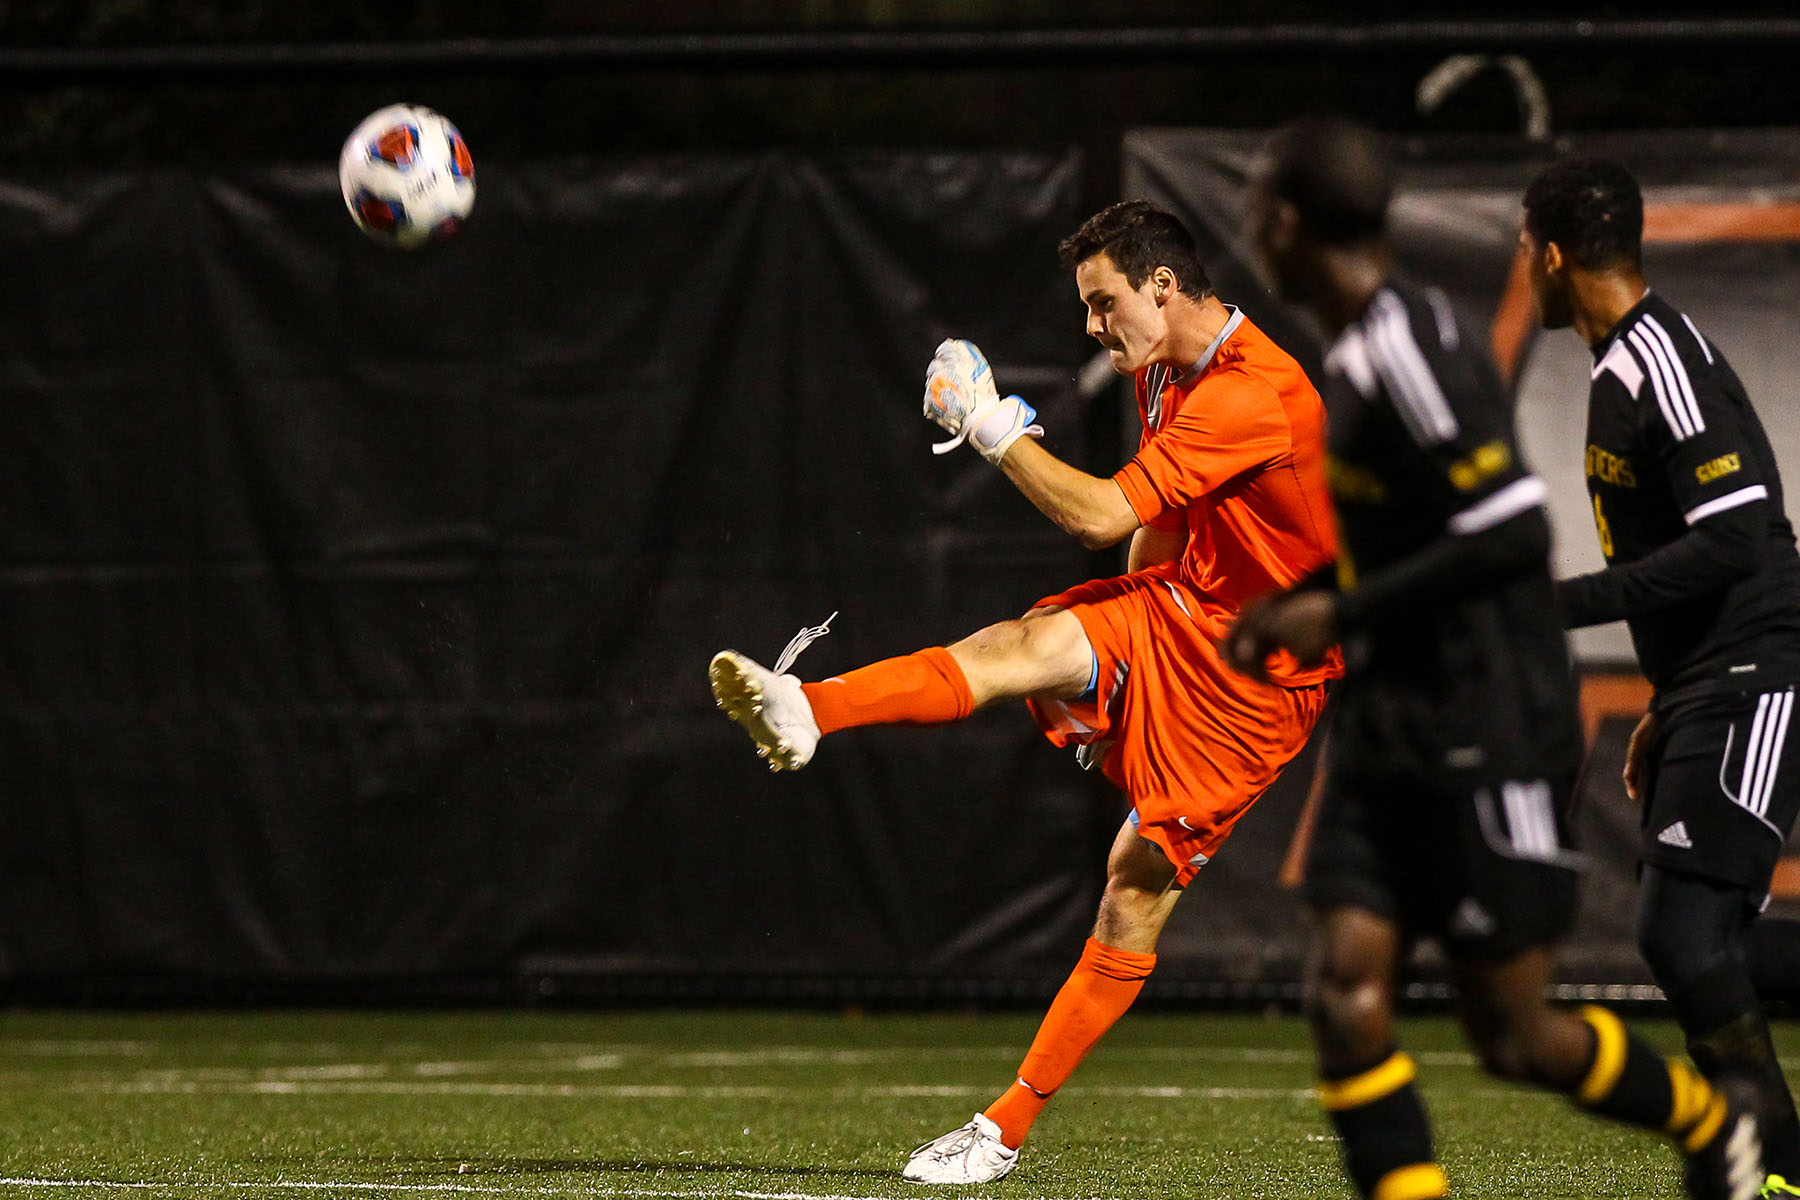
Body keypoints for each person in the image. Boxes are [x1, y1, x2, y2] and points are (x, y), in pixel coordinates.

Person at [709, 200, 1342, 1184]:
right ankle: (807, 709)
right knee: (1023, 645)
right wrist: (1118, 670)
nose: (1092, 326)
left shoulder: (1251, 392)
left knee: (1132, 892)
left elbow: (1097, 516)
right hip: (1186, 610)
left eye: (1102, 302)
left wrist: (989, 425)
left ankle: (1002, 1129)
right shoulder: (1171, 368)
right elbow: (1160, 533)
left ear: (1163, 285)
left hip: (1260, 681)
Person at [1229, 114, 1763, 1200]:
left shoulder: (1409, 345)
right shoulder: (1358, 350)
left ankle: (1712, 1119)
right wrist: (1304, 597)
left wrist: (1340, 612)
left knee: (1515, 1033)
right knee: (1344, 995)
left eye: (1252, 209)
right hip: (1387, 730)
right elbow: (1415, 539)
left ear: (1282, 224)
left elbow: (1513, 531)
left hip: (1485, 724)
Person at [1521, 154, 1800, 1198]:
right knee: (1688, 936)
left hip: (1757, 664)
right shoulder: (1623, 365)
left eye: (1526, 247)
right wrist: (1668, 693)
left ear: (1553, 256)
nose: (1526, 265)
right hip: (1710, 675)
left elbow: (1737, 537)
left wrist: (1554, 604)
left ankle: (1779, 1167)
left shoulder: (1659, 360)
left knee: (1685, 936)